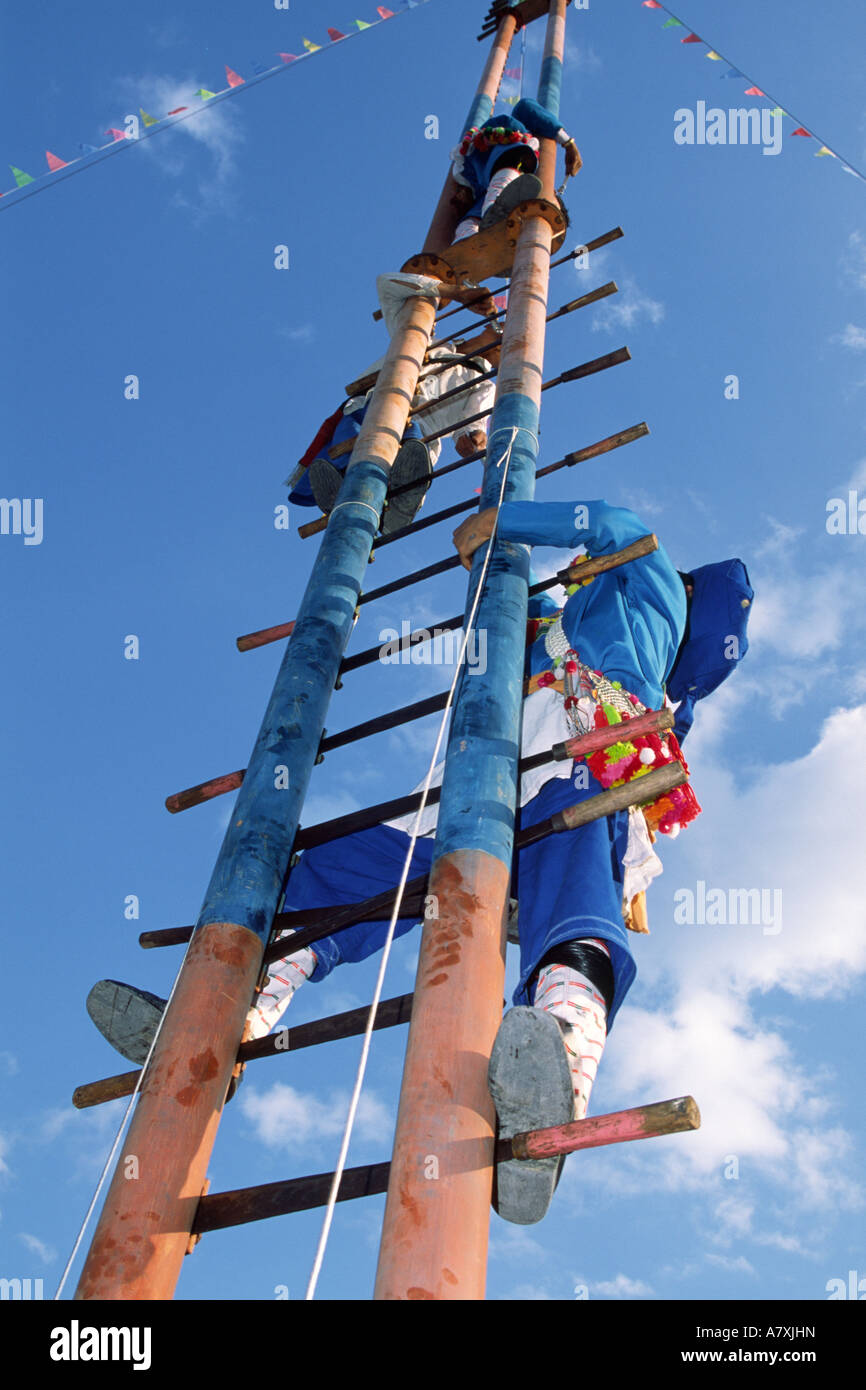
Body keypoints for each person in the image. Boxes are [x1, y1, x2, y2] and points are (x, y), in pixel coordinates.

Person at [87, 496, 753, 1223]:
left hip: (571, 747)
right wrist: (531, 591)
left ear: (693, 593)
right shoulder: (630, 644)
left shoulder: (650, 579)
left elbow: (610, 523)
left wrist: (502, 521)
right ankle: (240, 1007)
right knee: (392, 873)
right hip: (504, 760)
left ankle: (555, 1064)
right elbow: (537, 620)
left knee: (563, 889)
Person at [285, 328, 500, 532]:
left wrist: (477, 446)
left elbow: (472, 429)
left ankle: (398, 501)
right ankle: (341, 485)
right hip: (376, 402)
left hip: (420, 430)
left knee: (410, 460)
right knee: (353, 439)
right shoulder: (431, 341)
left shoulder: (483, 384)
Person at [449, 97, 581, 243]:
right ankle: (495, 210)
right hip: (498, 146)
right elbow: (524, 107)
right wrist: (568, 143)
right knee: (520, 157)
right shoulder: (523, 149)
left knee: (474, 217)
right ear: (554, 194)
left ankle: (465, 238)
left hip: (481, 180)